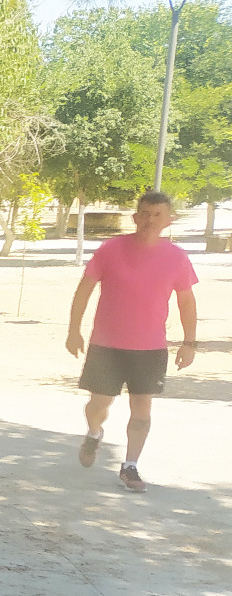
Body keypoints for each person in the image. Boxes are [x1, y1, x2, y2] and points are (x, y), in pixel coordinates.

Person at [65, 191, 199, 492]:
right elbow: (84, 290)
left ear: (168, 220)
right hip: (107, 345)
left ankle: (130, 466)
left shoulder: (177, 258)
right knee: (99, 403)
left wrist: (189, 343)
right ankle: (94, 433)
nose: (150, 220)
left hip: (150, 347)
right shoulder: (110, 249)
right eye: (145, 214)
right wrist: (74, 330)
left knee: (141, 410)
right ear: (135, 217)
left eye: (157, 215)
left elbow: (187, 301)